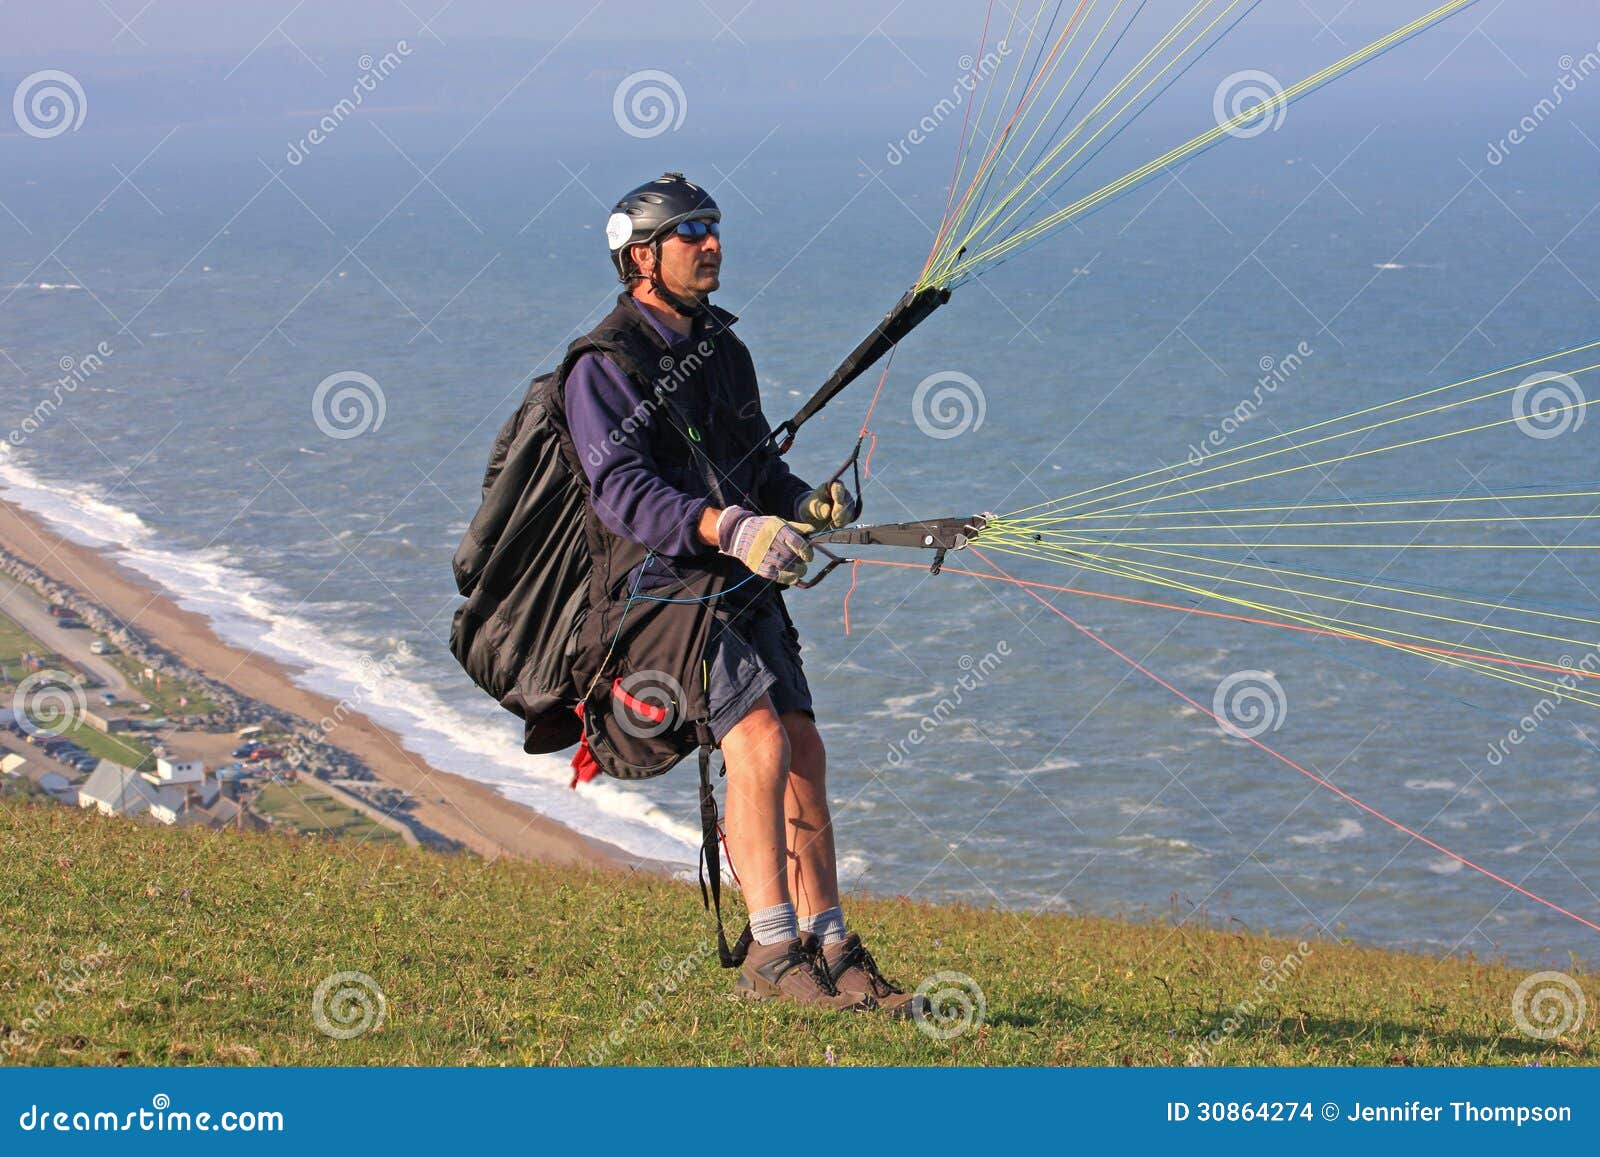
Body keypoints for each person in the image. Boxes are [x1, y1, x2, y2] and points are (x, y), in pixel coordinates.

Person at [557, 173, 918, 1015]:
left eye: (714, 226)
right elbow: (622, 492)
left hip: (739, 576)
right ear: (640, 258)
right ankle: (772, 948)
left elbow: (756, 467)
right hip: (661, 590)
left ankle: (831, 943)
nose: (711, 243)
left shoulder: (724, 350)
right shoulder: (603, 366)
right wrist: (730, 526)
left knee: (804, 748)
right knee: (757, 743)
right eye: (690, 232)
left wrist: (801, 505)